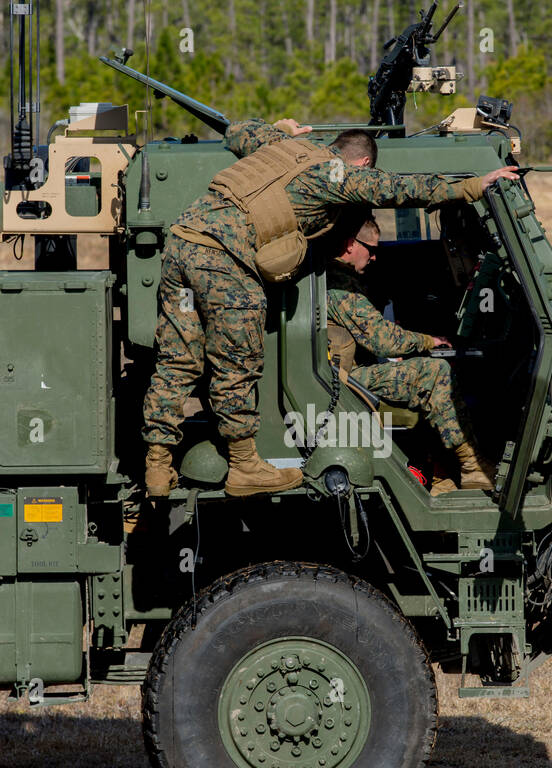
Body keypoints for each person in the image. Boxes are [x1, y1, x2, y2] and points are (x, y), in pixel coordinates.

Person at [141, 116, 519, 498]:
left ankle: (157, 467)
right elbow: (396, 189)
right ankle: (244, 467)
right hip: (224, 256)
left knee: (178, 359)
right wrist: (470, 186)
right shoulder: (334, 174)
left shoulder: (282, 148)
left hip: (182, 242)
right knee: (238, 361)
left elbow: (238, 130)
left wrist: (282, 130)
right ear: (361, 165)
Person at [326, 216, 494, 493]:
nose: (375, 258)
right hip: (345, 381)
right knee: (434, 373)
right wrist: (428, 341)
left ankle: (441, 474)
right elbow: (384, 341)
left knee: (419, 375)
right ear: (349, 245)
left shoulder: (340, 278)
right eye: (372, 249)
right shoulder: (339, 284)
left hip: (343, 373)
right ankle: (471, 466)